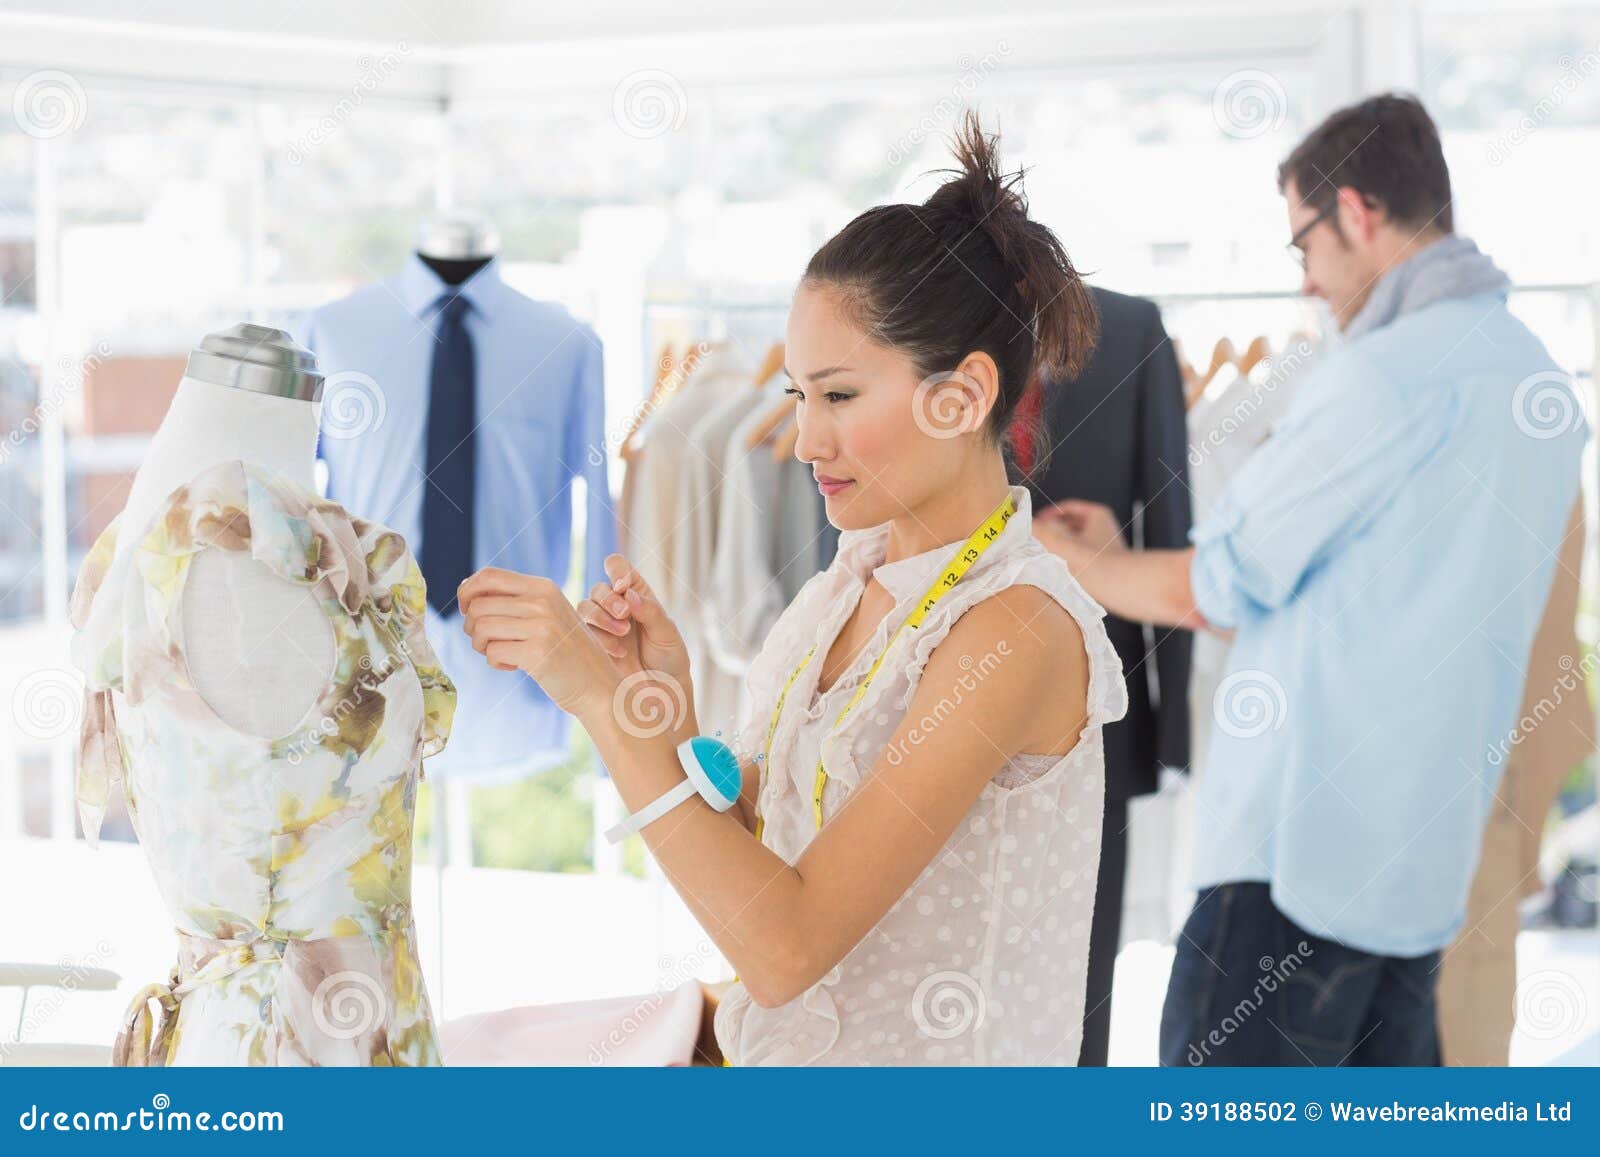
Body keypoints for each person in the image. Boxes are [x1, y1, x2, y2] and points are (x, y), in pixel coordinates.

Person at [457, 112, 1128, 1065]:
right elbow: (764, 869)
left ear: (966, 394)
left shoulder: (1014, 629)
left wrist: (597, 703)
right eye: (797, 397)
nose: (809, 440)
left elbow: (787, 949)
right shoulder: (842, 590)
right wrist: (666, 716)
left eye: (841, 395)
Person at [1034, 92, 1587, 1066]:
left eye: (1303, 243)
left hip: (1293, 870)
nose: (1305, 281)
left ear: (1357, 215)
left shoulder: (1378, 376)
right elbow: (1372, 589)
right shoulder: (1530, 376)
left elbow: (1212, 588)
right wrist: (1124, 544)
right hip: (1420, 871)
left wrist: (1076, 558)